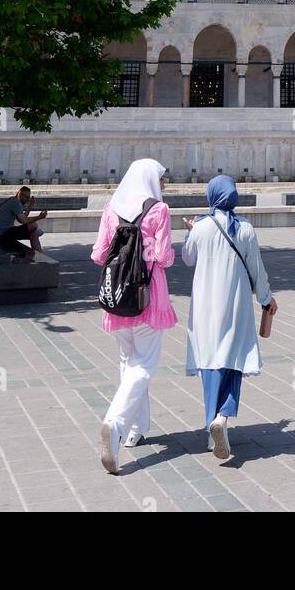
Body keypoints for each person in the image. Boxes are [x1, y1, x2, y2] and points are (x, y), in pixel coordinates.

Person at [90, 159, 177, 475]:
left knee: (128, 362)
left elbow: (99, 254)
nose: (164, 184)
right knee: (144, 365)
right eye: (162, 178)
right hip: (148, 296)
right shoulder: (159, 210)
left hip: (117, 297)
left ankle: (134, 430)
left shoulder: (111, 209)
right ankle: (115, 424)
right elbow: (164, 258)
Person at [182, 176, 276, 462]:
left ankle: (212, 422)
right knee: (234, 360)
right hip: (235, 305)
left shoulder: (201, 227)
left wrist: (191, 232)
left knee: (210, 362)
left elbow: (187, 258)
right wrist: (266, 298)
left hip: (205, 308)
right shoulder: (244, 229)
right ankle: (222, 418)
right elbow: (257, 270)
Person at [0, 186, 48, 261]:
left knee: (33, 231)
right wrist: (40, 217)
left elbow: (22, 219)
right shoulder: (16, 203)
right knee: (33, 225)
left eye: (28, 198)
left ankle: (39, 255)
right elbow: (24, 221)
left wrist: (29, 207)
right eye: (26, 197)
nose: (27, 200)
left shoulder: (13, 201)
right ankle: (39, 256)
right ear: (20, 194)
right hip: (1, 235)